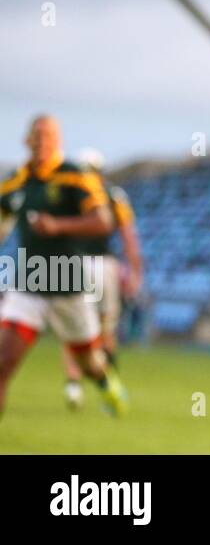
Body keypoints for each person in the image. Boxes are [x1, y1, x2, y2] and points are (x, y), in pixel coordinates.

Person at [0, 115, 129, 418]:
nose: (43, 142)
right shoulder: (15, 182)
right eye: (38, 136)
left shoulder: (74, 176)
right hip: (28, 284)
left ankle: (105, 382)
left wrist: (57, 225)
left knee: (88, 363)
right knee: (4, 362)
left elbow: (103, 221)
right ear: (27, 141)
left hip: (68, 284)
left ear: (58, 143)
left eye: (49, 137)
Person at [60, 151, 144, 410]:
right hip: (102, 265)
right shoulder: (113, 194)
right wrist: (135, 271)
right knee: (105, 329)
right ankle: (110, 387)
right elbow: (128, 236)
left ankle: (74, 385)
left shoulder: (67, 195)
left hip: (72, 263)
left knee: (72, 327)